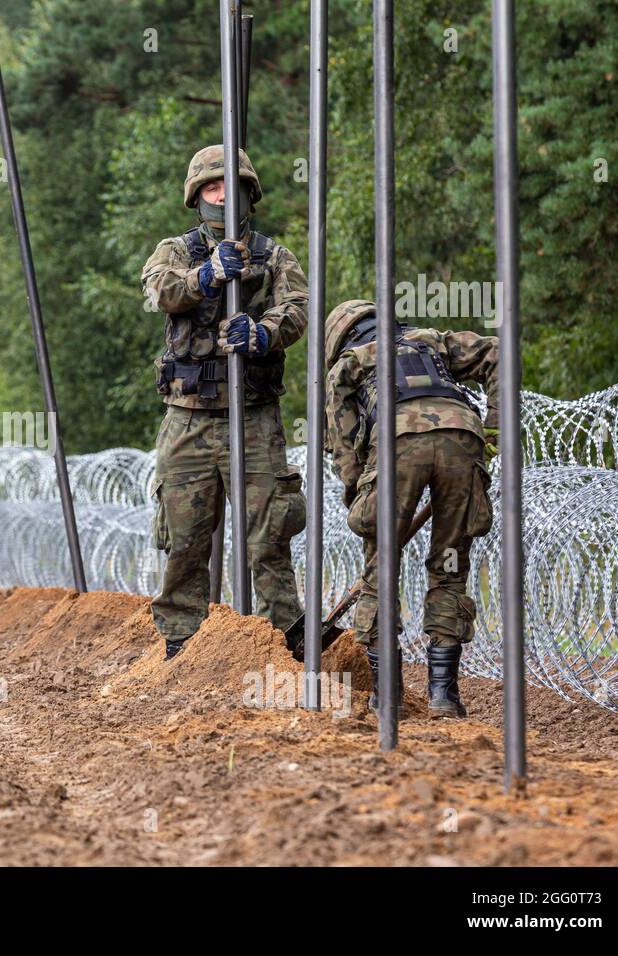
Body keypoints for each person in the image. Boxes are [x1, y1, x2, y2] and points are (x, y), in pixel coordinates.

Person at [142, 145, 308, 660]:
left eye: (230, 187)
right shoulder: (175, 250)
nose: (222, 196)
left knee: (268, 538)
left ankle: (282, 640)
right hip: (189, 418)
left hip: (253, 417)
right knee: (186, 539)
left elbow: (299, 308)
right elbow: (158, 294)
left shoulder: (274, 255)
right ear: (197, 197)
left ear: (247, 194)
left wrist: (261, 334)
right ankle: (181, 644)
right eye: (212, 188)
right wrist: (208, 276)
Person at [324, 299, 499, 717]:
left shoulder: (346, 365)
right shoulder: (432, 341)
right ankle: (444, 696)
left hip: (396, 443)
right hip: (462, 439)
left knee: (380, 572)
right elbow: (497, 352)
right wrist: (494, 425)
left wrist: (364, 505)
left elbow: (344, 448)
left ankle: (388, 697)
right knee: (450, 566)